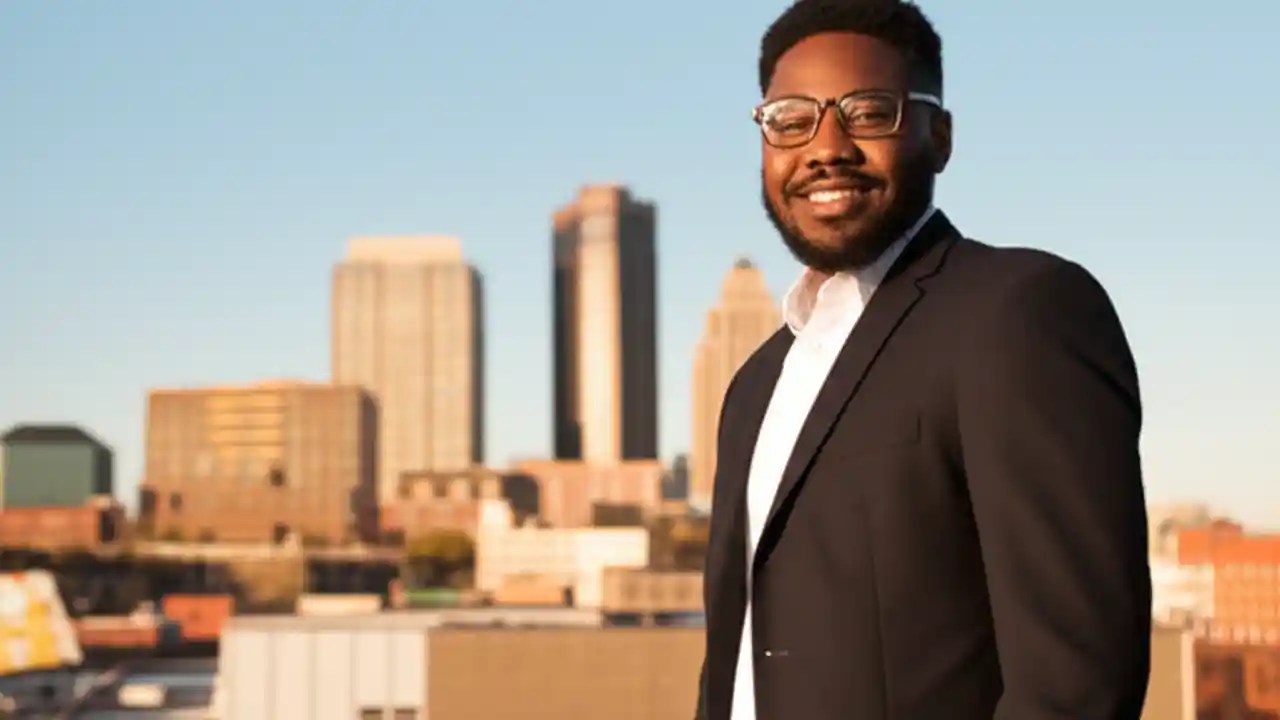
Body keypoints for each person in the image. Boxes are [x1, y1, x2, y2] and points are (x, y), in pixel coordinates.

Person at [694, 1, 1152, 718]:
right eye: (791, 119)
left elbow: (1076, 684)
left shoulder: (1020, 313)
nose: (826, 147)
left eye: (870, 112)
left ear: (939, 137)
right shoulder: (754, 383)